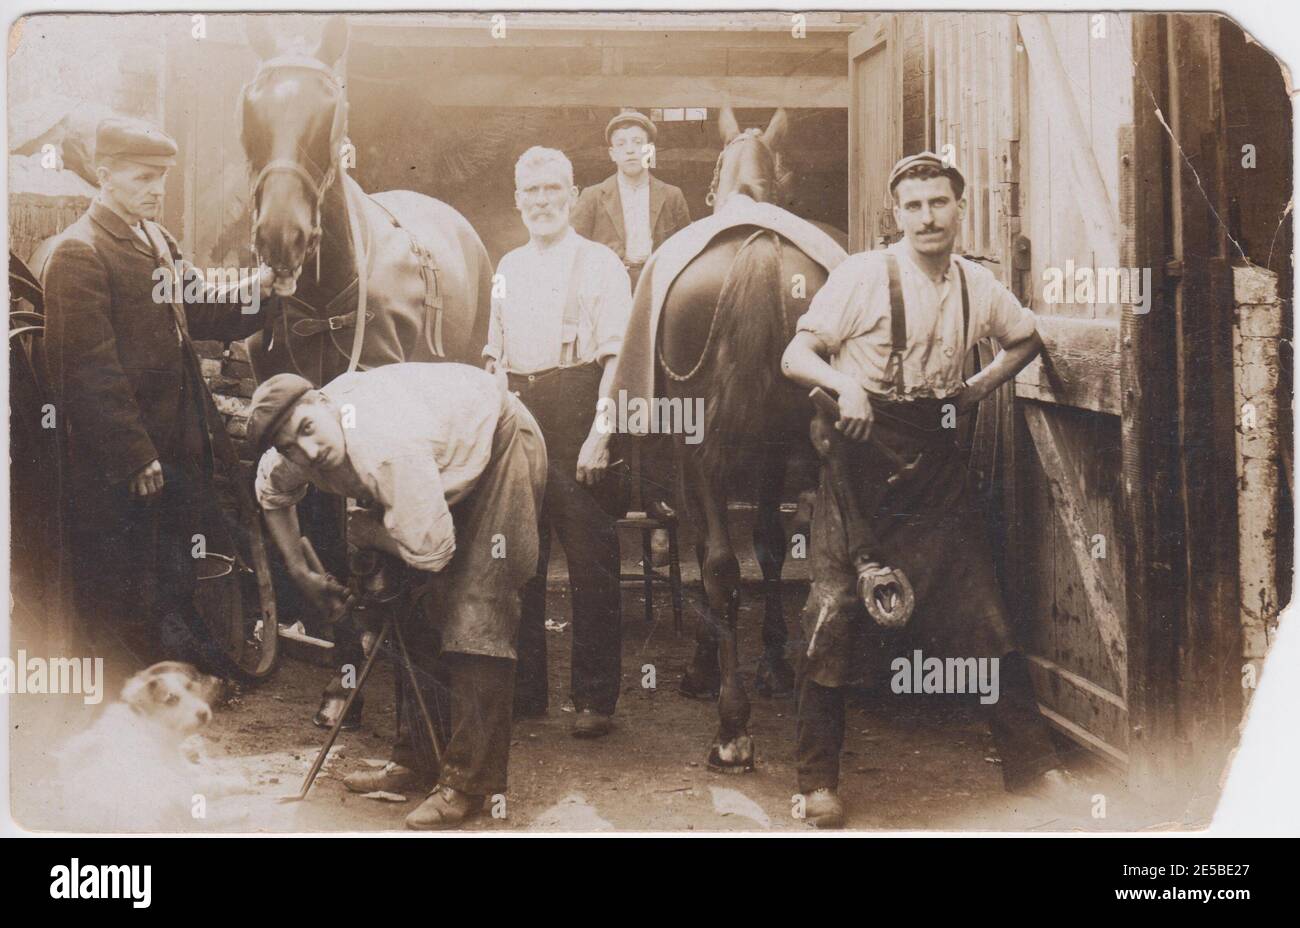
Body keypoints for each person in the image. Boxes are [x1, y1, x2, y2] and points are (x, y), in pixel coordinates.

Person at [780, 152, 1069, 828]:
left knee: (981, 608)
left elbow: (1025, 339)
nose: (927, 217)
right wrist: (846, 386)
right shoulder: (862, 277)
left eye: (938, 203)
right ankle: (818, 781)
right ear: (896, 215)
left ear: (958, 209)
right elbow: (796, 356)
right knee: (835, 609)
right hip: (858, 461)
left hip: (936, 461)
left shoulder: (977, 286)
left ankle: (1034, 765)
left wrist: (973, 390)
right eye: (913, 206)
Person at [246, 362, 546, 829]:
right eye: (291, 446)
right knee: (407, 608)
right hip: (436, 467)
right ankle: (417, 759)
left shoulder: (385, 446)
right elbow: (270, 494)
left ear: (325, 403)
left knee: (475, 609)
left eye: (308, 429)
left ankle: (467, 785)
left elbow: (434, 552)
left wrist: (370, 530)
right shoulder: (293, 451)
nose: (309, 451)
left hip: (500, 443)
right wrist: (301, 571)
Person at [42, 116, 269, 679]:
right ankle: (119, 687)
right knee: (121, 568)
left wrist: (263, 289)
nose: (156, 189)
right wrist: (134, 454)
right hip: (122, 459)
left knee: (173, 561)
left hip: (177, 442)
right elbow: (87, 370)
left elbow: (204, 307)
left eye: (162, 178)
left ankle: (173, 660)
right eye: (144, 177)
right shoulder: (82, 252)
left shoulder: (156, 240)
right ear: (104, 175)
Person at [486, 146, 631, 738]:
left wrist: (601, 434)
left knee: (591, 559)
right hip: (519, 409)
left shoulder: (599, 263)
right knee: (521, 557)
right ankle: (526, 693)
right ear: (518, 200)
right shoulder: (507, 267)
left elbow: (618, 358)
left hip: (579, 407)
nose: (542, 201)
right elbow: (492, 354)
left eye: (552, 190)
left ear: (573, 198)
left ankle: (595, 699)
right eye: (531, 192)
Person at [572, 110, 691, 536]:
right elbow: (575, 251)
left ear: (649, 149)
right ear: (611, 152)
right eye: (621, 142)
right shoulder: (592, 196)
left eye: (637, 141)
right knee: (613, 385)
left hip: (656, 297)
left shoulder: (671, 195)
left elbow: (686, 251)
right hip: (609, 296)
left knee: (657, 391)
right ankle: (614, 491)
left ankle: (660, 498)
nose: (630, 149)